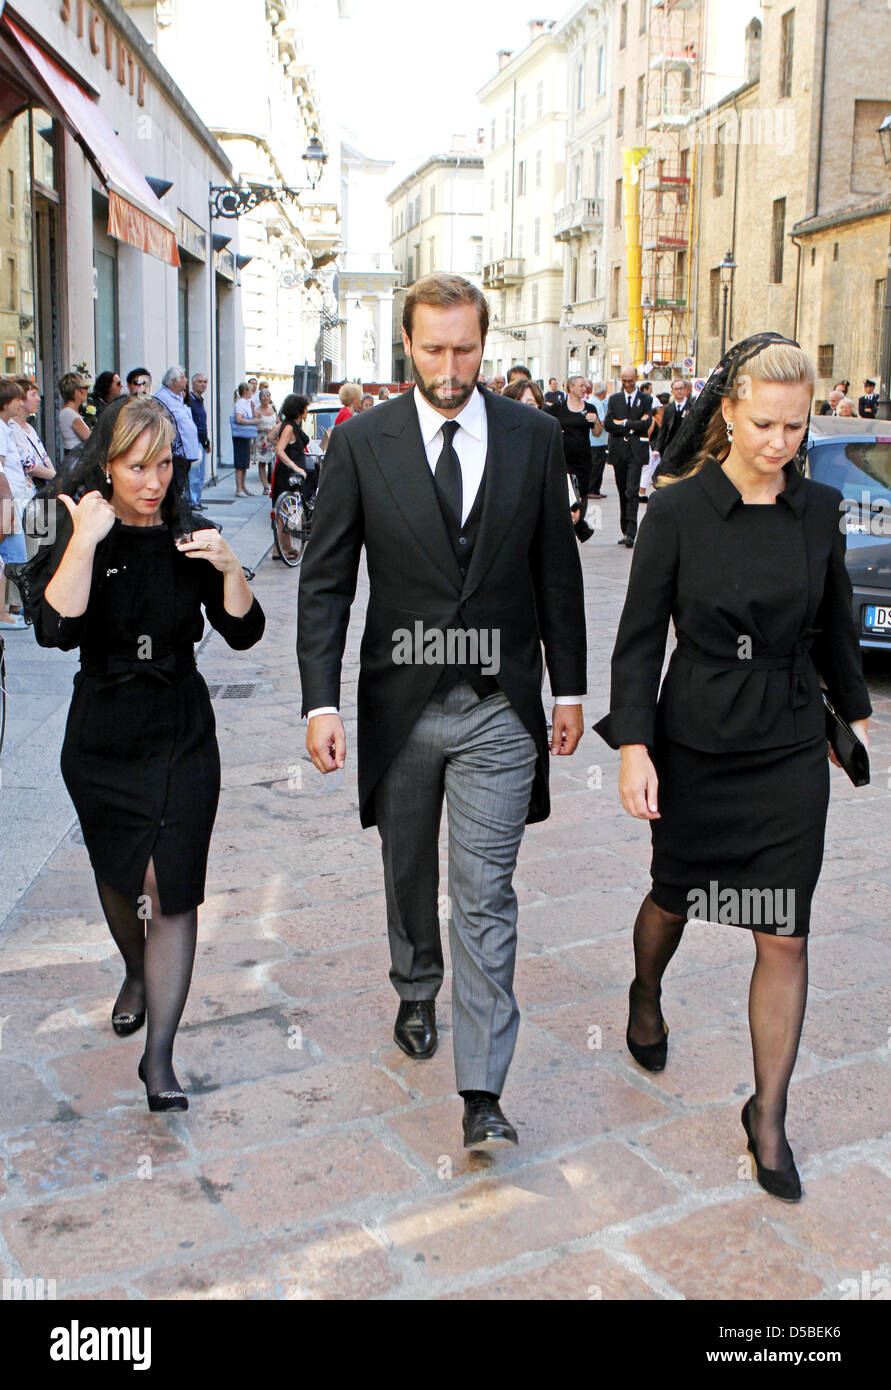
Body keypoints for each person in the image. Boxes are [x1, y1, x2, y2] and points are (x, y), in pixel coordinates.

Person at [297, 273, 586, 1152]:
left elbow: (554, 572)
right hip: (402, 701)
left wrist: (566, 688)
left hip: (500, 704)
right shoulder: (362, 443)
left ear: (484, 343)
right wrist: (319, 700)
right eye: (432, 349)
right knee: (407, 867)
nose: (450, 367)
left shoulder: (534, 439)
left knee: (486, 892)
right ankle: (415, 982)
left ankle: (481, 1090)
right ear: (407, 345)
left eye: (464, 349)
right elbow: (326, 581)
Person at [595, 333, 871, 1202]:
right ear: (727, 412)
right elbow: (639, 642)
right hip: (698, 738)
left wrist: (852, 719)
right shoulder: (676, 511)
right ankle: (645, 991)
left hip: (787, 740)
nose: (780, 443)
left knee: (783, 930)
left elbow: (832, 623)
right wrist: (633, 748)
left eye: (795, 427)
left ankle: (767, 1115)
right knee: (675, 894)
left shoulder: (819, 510)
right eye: (764, 423)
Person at [23, 396, 265, 1111]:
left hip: (181, 726)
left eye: (164, 464)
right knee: (119, 872)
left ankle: (159, 1058)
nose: (154, 480)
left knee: (174, 885)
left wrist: (229, 569)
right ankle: (135, 966)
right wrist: (85, 541)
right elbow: (54, 629)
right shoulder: (82, 531)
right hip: (102, 732)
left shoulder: (192, 536)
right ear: (108, 465)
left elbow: (245, 633)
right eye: (137, 466)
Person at [546, 374, 601, 543]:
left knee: (582, 493)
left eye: (585, 386)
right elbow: (545, 422)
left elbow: (597, 433)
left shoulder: (590, 408)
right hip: (562, 457)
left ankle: (578, 523)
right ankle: (568, 526)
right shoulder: (558, 408)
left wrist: (596, 421)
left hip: (583, 457)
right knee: (566, 492)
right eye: (581, 386)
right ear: (571, 388)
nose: (584, 389)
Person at [604, 367, 654, 548]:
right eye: (624, 381)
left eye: (630, 381)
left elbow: (646, 423)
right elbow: (609, 424)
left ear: (636, 379)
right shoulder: (614, 399)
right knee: (622, 490)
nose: (627, 384)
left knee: (631, 491)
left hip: (636, 452)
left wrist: (624, 423)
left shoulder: (646, 399)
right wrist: (633, 426)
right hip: (618, 452)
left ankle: (631, 532)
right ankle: (625, 529)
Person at [0, 380, 35, 626]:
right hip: (7, 497)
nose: (21, 403)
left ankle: (10, 608)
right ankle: (5, 611)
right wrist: (7, 505)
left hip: (14, 496)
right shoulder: (1, 431)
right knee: (12, 555)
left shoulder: (8, 427)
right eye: (16, 400)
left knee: (14, 554)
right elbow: (1, 471)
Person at [270, 393, 312, 559]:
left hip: (289, 473)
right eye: (305, 409)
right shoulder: (288, 427)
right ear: (300, 410)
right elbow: (279, 449)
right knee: (285, 511)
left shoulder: (287, 425)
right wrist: (294, 465)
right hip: (288, 474)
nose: (307, 412)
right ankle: (277, 549)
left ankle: (285, 547)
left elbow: (271, 437)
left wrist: (285, 446)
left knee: (287, 510)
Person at [185, 371, 211, 509]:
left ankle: (197, 499)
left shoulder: (200, 401)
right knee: (194, 474)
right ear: (193, 384)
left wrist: (206, 440)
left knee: (200, 474)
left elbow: (202, 423)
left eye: (205, 382)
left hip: (201, 440)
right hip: (193, 440)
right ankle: (192, 501)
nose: (203, 384)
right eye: (200, 381)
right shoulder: (190, 400)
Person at [230, 383, 258, 496]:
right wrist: (252, 422)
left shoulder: (247, 403)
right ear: (246, 391)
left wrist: (252, 408)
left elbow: (256, 415)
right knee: (240, 462)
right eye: (250, 390)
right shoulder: (240, 403)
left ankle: (243, 487)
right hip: (240, 435)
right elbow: (238, 418)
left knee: (245, 462)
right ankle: (239, 488)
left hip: (245, 435)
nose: (252, 392)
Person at [58, 373, 92, 465]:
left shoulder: (68, 412)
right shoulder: (70, 414)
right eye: (85, 387)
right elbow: (91, 439)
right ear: (77, 392)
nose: (87, 390)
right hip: (77, 461)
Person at [251, 386, 278, 494]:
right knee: (262, 463)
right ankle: (265, 486)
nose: (265, 398)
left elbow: (278, 421)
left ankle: (274, 484)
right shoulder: (257, 411)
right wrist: (264, 429)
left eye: (267, 395)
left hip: (274, 439)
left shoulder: (274, 408)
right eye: (263, 396)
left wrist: (276, 429)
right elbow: (253, 427)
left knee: (275, 462)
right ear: (260, 398)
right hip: (263, 439)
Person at [587, 380, 609, 499]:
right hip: (597, 441)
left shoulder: (593, 401)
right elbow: (602, 421)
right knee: (596, 466)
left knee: (597, 465)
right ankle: (592, 489)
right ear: (604, 392)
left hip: (595, 441)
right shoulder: (597, 404)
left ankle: (595, 489)